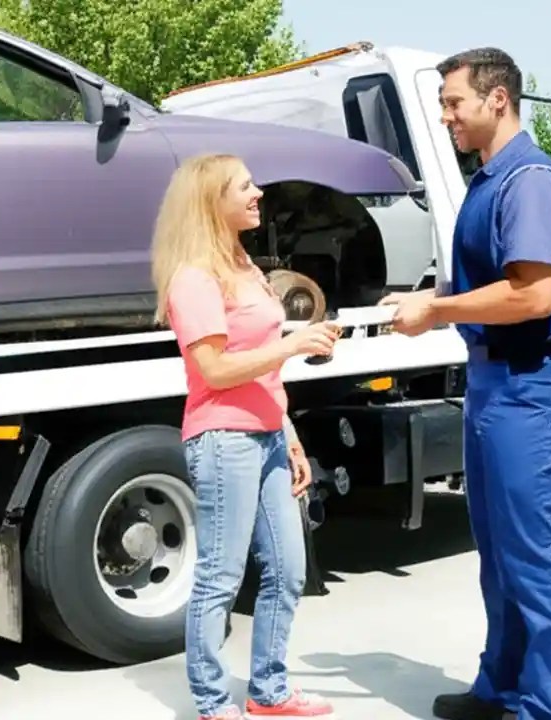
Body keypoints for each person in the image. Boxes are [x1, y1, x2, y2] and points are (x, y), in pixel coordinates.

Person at [383, 48, 551, 720]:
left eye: (453, 103)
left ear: (497, 99)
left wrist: (438, 311)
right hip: (494, 382)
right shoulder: (491, 180)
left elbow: (534, 296)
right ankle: (501, 689)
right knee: (499, 556)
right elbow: (493, 282)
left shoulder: (530, 179)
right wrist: (431, 296)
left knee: (532, 557)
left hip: (530, 384)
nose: (445, 117)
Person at [150, 153, 340, 720]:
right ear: (213, 202)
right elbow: (214, 370)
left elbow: (262, 372)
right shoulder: (194, 277)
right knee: (221, 575)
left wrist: (290, 434)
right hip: (222, 440)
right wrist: (294, 343)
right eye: (245, 186)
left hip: (267, 436)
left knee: (289, 570)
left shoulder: (246, 268)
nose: (258, 193)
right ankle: (212, 702)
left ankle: (269, 691)